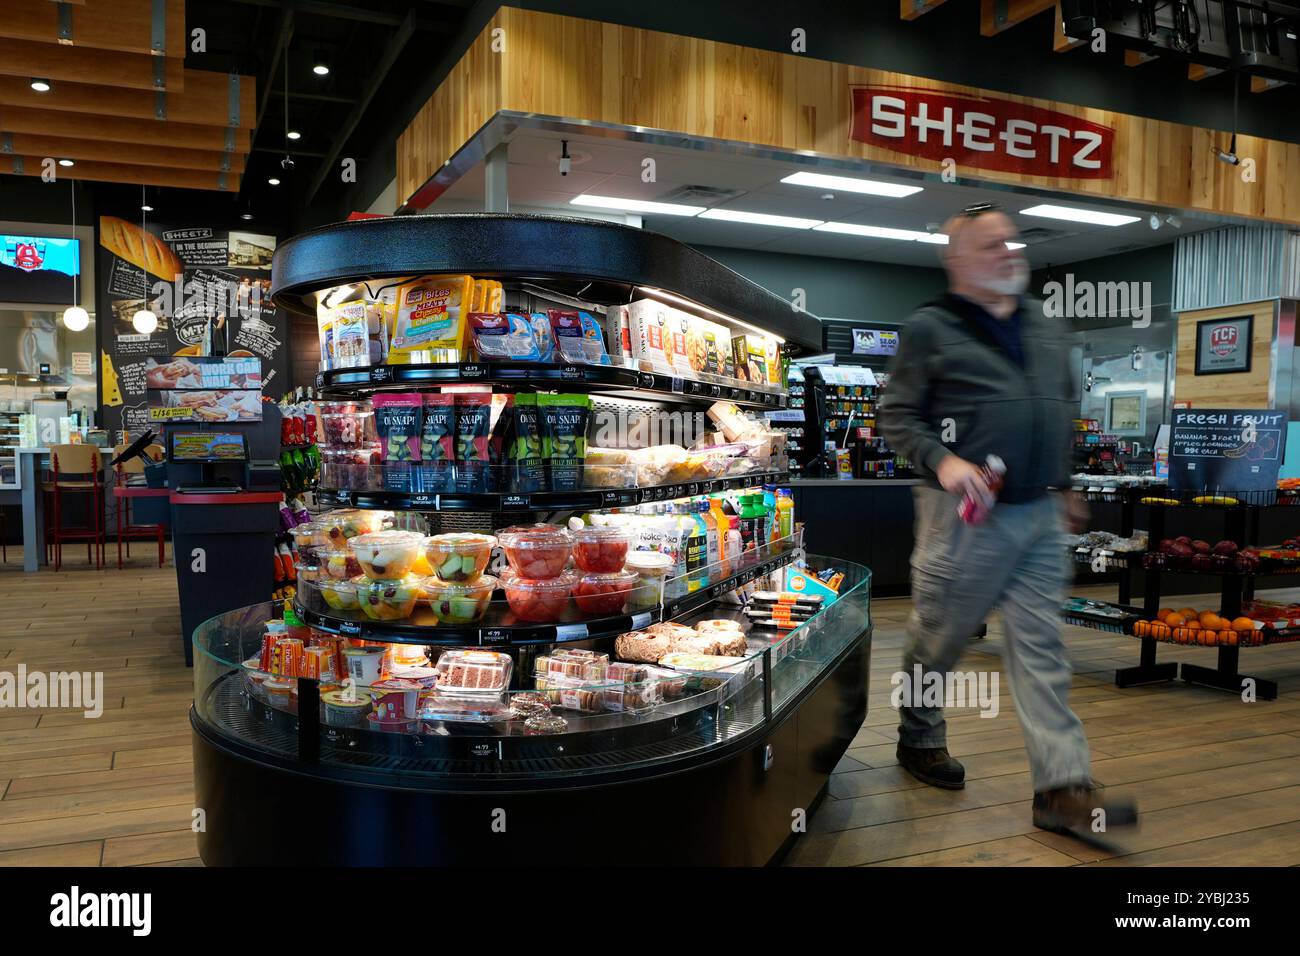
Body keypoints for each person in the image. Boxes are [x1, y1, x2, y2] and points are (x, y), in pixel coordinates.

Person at [878, 203, 1137, 837]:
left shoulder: (1046, 326)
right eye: (992, 246)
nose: (1009, 253)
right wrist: (944, 462)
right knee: (939, 638)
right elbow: (896, 418)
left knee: (1042, 650)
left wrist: (1068, 483)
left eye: (1012, 243)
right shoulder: (931, 328)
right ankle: (918, 735)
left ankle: (1061, 788)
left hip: (1039, 513)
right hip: (961, 514)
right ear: (957, 260)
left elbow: (1060, 409)